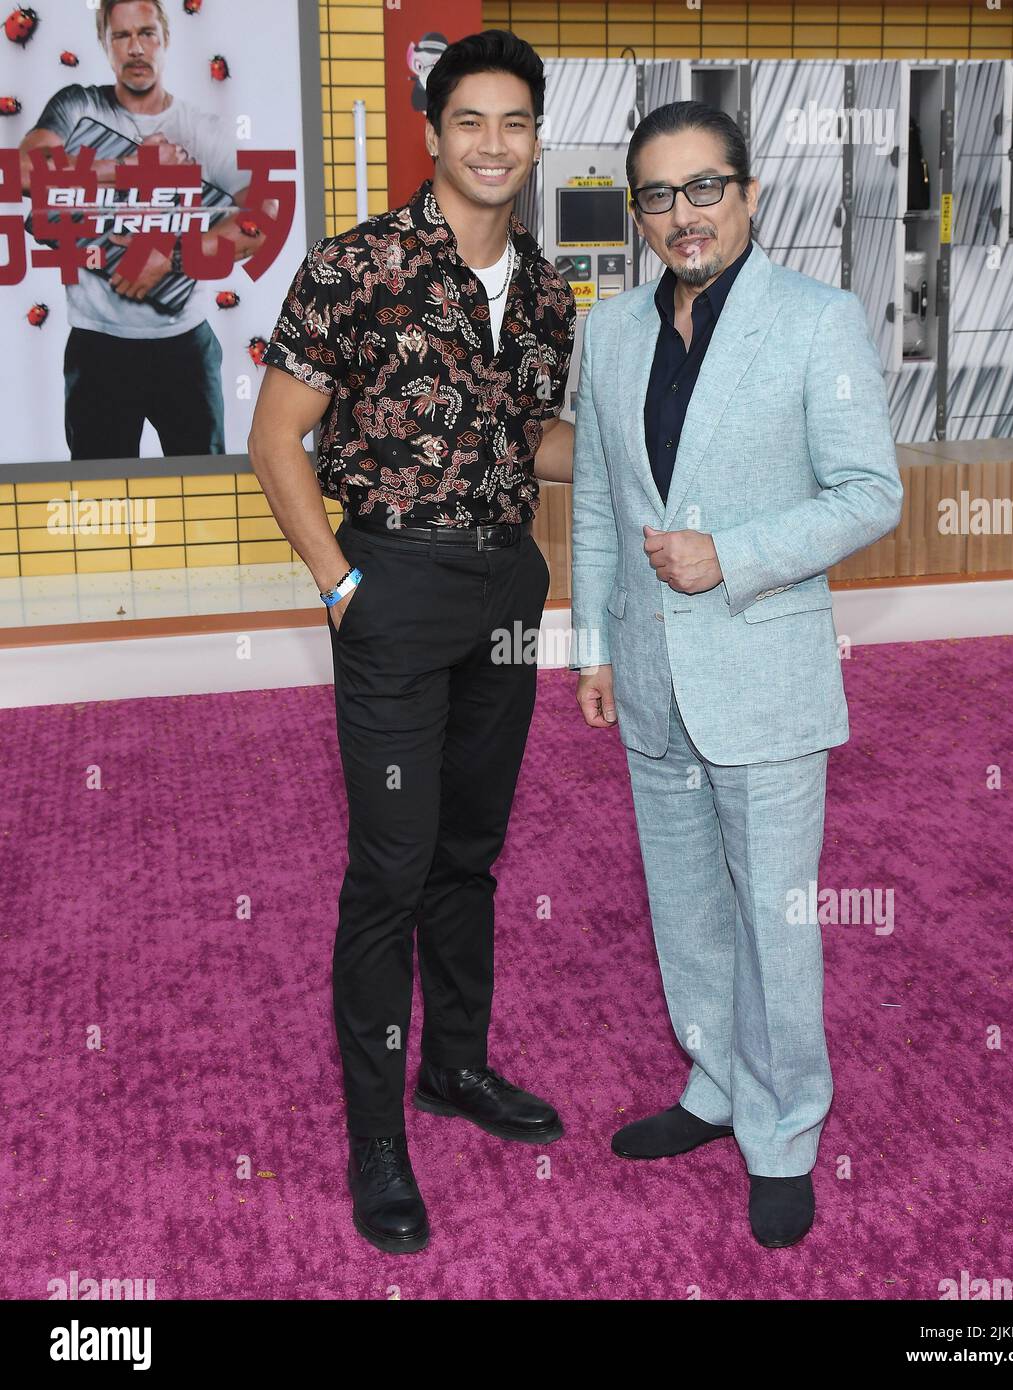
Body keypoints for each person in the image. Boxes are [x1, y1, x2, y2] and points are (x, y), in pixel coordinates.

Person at [249, 30, 576, 1255]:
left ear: (536, 140)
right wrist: (342, 589)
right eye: (471, 121)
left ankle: (456, 1069)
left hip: (505, 584)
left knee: (471, 851)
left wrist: (637, 458)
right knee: (388, 866)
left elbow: (524, 440)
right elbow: (277, 437)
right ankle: (377, 1134)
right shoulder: (357, 266)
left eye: (516, 123)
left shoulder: (546, 289)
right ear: (433, 134)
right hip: (390, 585)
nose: (494, 144)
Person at [571, 101, 903, 1248]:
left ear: (748, 194)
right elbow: (598, 504)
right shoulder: (606, 333)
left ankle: (785, 1129)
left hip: (761, 669)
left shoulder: (817, 320)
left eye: (703, 187)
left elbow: (871, 492)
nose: (682, 215)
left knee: (772, 917)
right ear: (637, 212)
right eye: (656, 195)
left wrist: (735, 557)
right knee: (686, 907)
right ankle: (715, 1085)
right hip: (650, 675)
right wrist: (593, 648)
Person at [18, 0, 263, 459]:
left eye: (147, 33)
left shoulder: (203, 130)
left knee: (204, 502)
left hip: (186, 347)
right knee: (100, 502)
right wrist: (131, 168)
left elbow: (258, 224)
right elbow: (27, 174)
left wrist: (172, 254)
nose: (135, 48)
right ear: (105, 45)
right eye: (121, 36)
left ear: (166, 39)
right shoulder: (76, 106)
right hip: (97, 348)